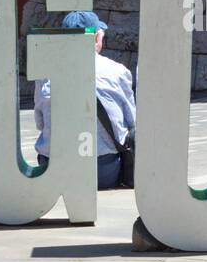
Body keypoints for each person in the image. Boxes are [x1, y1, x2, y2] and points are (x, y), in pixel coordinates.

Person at [33, 11, 136, 189]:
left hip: (53, 168)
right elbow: (131, 122)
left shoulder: (44, 73)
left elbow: (40, 123)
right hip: (102, 171)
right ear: (96, 37)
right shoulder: (118, 72)